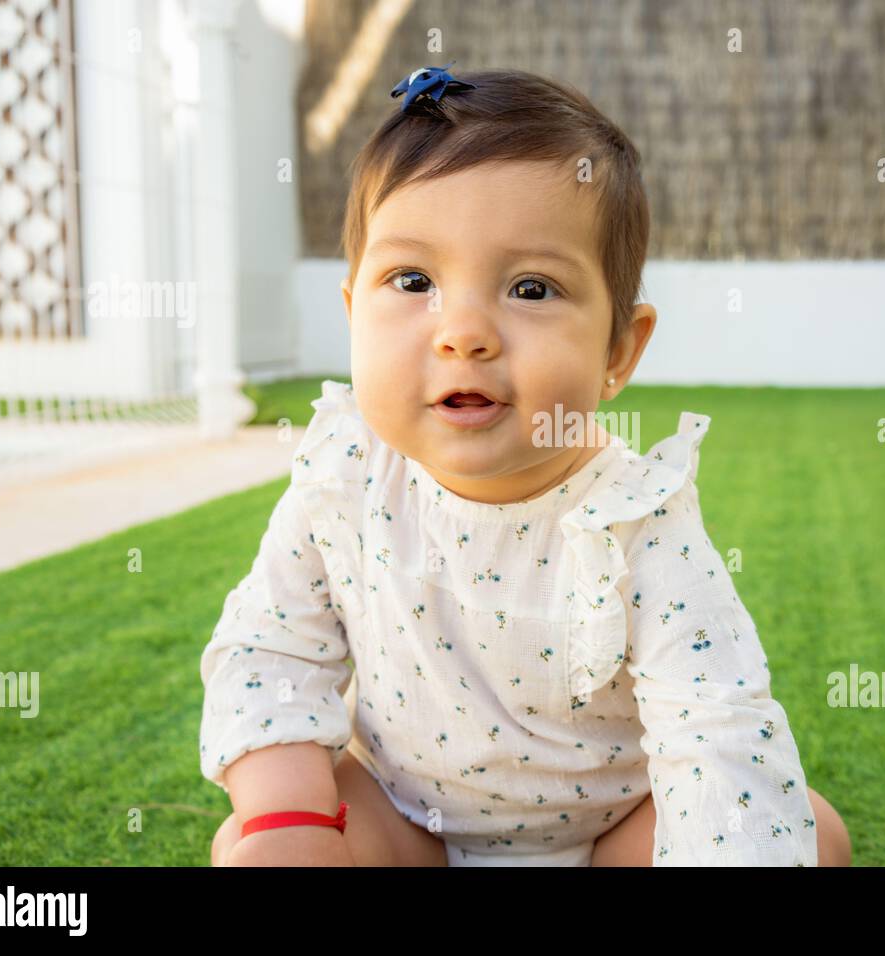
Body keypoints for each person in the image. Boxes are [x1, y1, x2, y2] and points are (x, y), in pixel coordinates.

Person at [202, 66, 850, 867]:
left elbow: (713, 717)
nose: (463, 332)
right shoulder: (344, 477)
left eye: (532, 288)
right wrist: (289, 815)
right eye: (413, 282)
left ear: (619, 350)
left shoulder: (636, 517)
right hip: (406, 827)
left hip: (611, 831)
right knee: (257, 848)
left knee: (810, 835)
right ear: (351, 314)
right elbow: (272, 649)